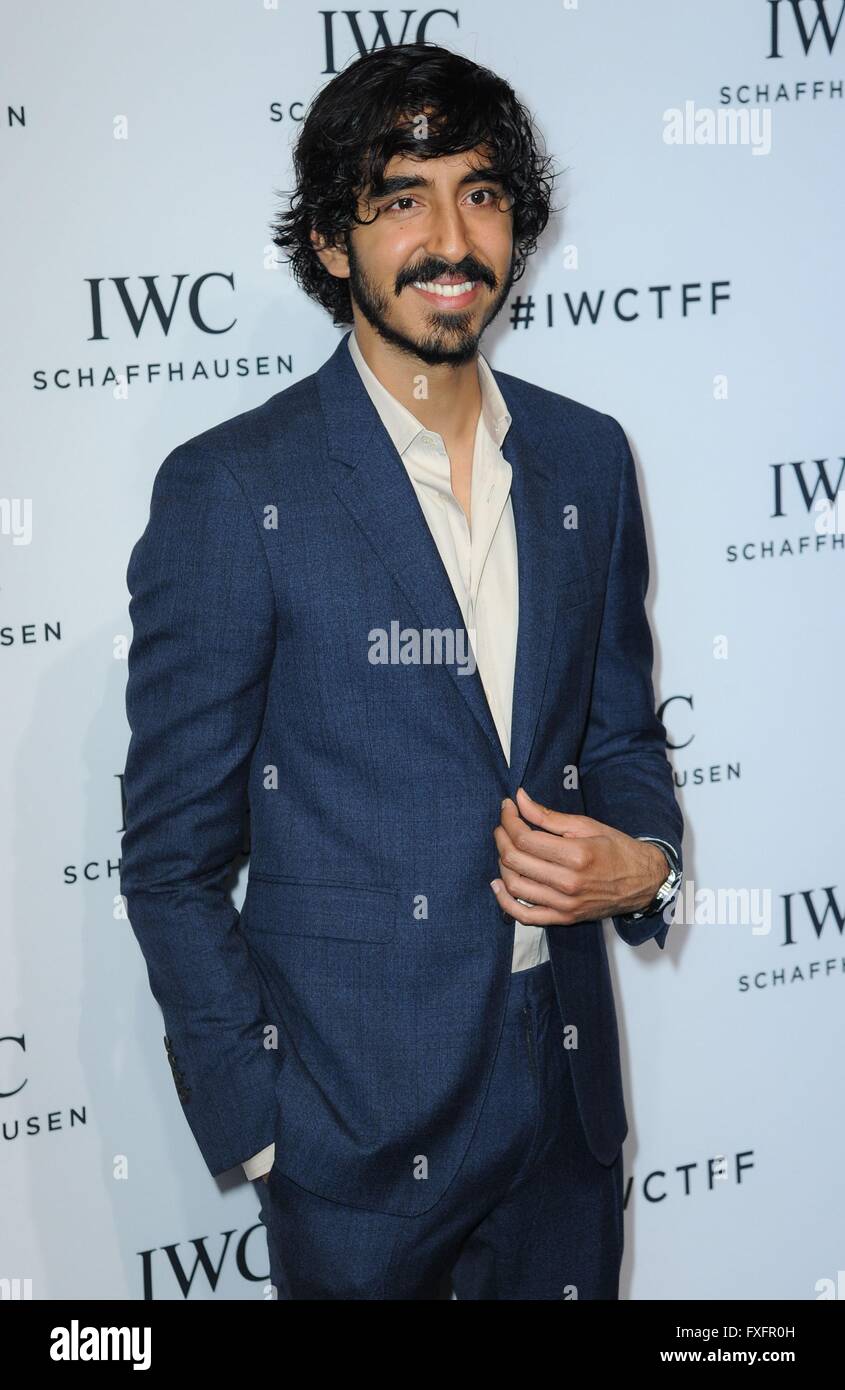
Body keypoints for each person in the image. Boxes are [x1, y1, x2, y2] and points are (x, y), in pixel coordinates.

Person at [120, 42, 683, 1300]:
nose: (449, 239)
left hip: (564, 1121)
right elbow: (170, 858)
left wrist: (645, 862)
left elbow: (622, 740)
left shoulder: (587, 459)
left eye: (479, 193)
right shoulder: (233, 489)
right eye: (400, 199)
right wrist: (264, 1126)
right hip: (352, 1143)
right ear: (332, 241)